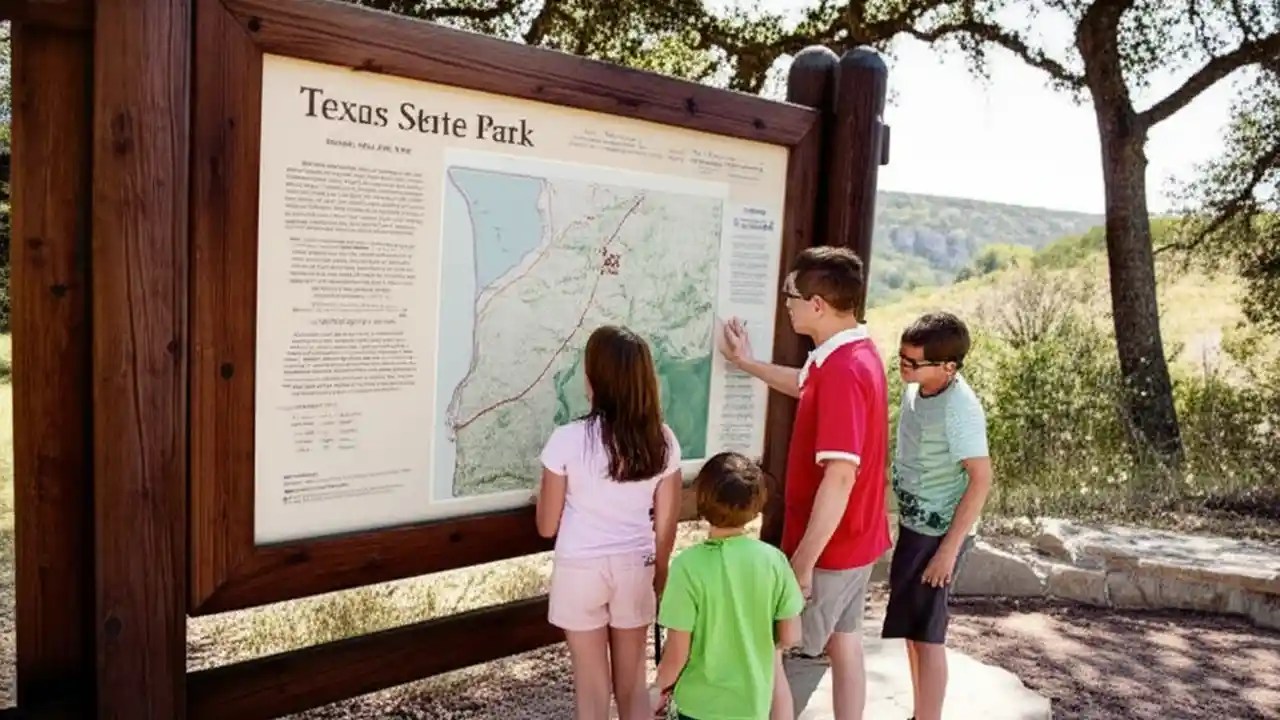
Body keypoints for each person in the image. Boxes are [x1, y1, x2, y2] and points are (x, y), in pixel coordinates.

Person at [719, 246, 892, 720]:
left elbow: (839, 476)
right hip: (858, 541)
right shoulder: (853, 352)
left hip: (831, 552)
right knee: (846, 645)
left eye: (791, 295)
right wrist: (748, 364)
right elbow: (804, 383)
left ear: (817, 304)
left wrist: (801, 563)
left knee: (780, 653)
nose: (786, 303)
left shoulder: (842, 370)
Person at [535, 325, 684, 720]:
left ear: (593, 378)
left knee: (592, 689)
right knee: (633, 686)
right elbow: (666, 523)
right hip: (636, 566)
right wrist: (661, 573)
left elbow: (547, 525)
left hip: (580, 569)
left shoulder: (566, 440)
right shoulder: (663, 441)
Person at [881, 312, 992, 720]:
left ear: (948, 367)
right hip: (914, 528)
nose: (902, 367)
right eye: (901, 357)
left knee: (928, 636)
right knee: (911, 631)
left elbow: (980, 480)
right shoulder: (917, 388)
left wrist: (948, 551)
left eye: (912, 362)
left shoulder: (959, 409)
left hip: (939, 536)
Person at [648, 451, 804, 720]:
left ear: (702, 499)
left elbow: (676, 655)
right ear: (756, 504)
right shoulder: (774, 561)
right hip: (752, 707)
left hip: (697, 709)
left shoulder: (687, 566)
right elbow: (790, 636)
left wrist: (654, 690)